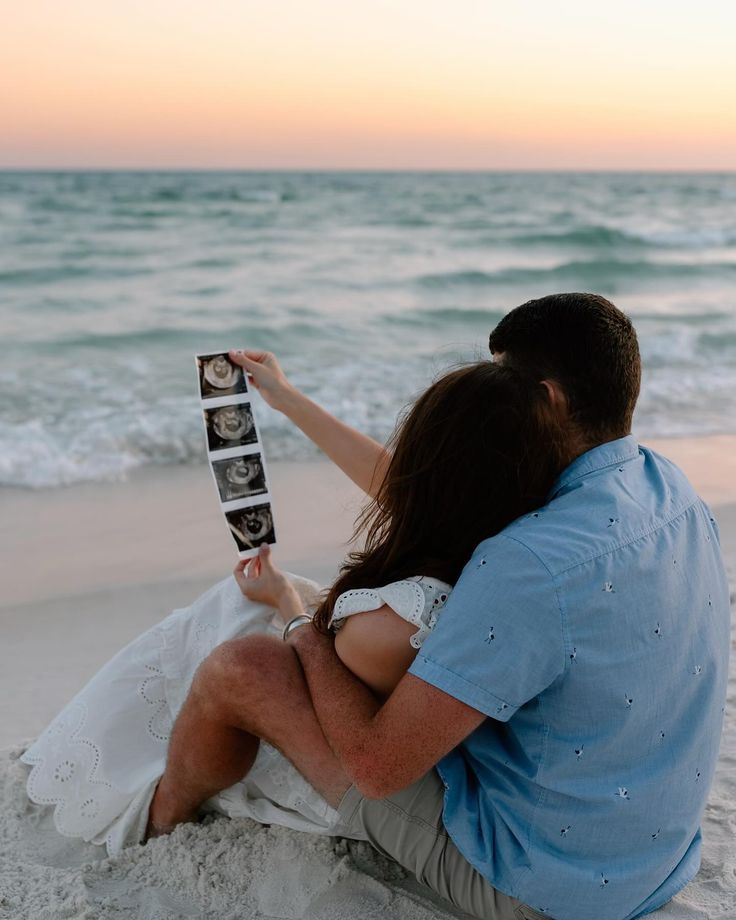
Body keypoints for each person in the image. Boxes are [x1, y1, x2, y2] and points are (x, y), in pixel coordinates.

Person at [149, 293, 730, 920]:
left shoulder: (529, 566)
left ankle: (158, 829)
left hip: (541, 888)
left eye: (503, 376)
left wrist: (301, 622)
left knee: (241, 669)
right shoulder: (666, 488)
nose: (490, 390)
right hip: (653, 858)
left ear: (551, 399)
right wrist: (286, 399)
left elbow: (377, 768)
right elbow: (427, 498)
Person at [21, 361, 564, 880]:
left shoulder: (402, 621)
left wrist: (289, 606)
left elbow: (347, 717)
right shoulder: (522, 531)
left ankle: (160, 812)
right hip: (395, 712)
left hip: (365, 759)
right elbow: (400, 487)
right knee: (238, 610)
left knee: (234, 639)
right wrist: (284, 397)